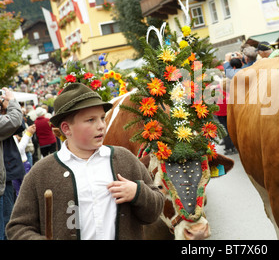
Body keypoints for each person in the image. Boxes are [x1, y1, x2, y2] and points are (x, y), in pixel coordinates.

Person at [6, 83, 165, 240]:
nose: (101, 126)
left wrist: (137, 193)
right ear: (67, 129)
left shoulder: (125, 159)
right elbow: (18, 227)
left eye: (102, 118)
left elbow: (155, 210)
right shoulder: (41, 173)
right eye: (91, 120)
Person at [0, 88, 24, 240]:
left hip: (8, 172)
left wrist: (7, 107)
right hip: (5, 174)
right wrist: (11, 102)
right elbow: (15, 121)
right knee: (6, 220)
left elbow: (19, 125)